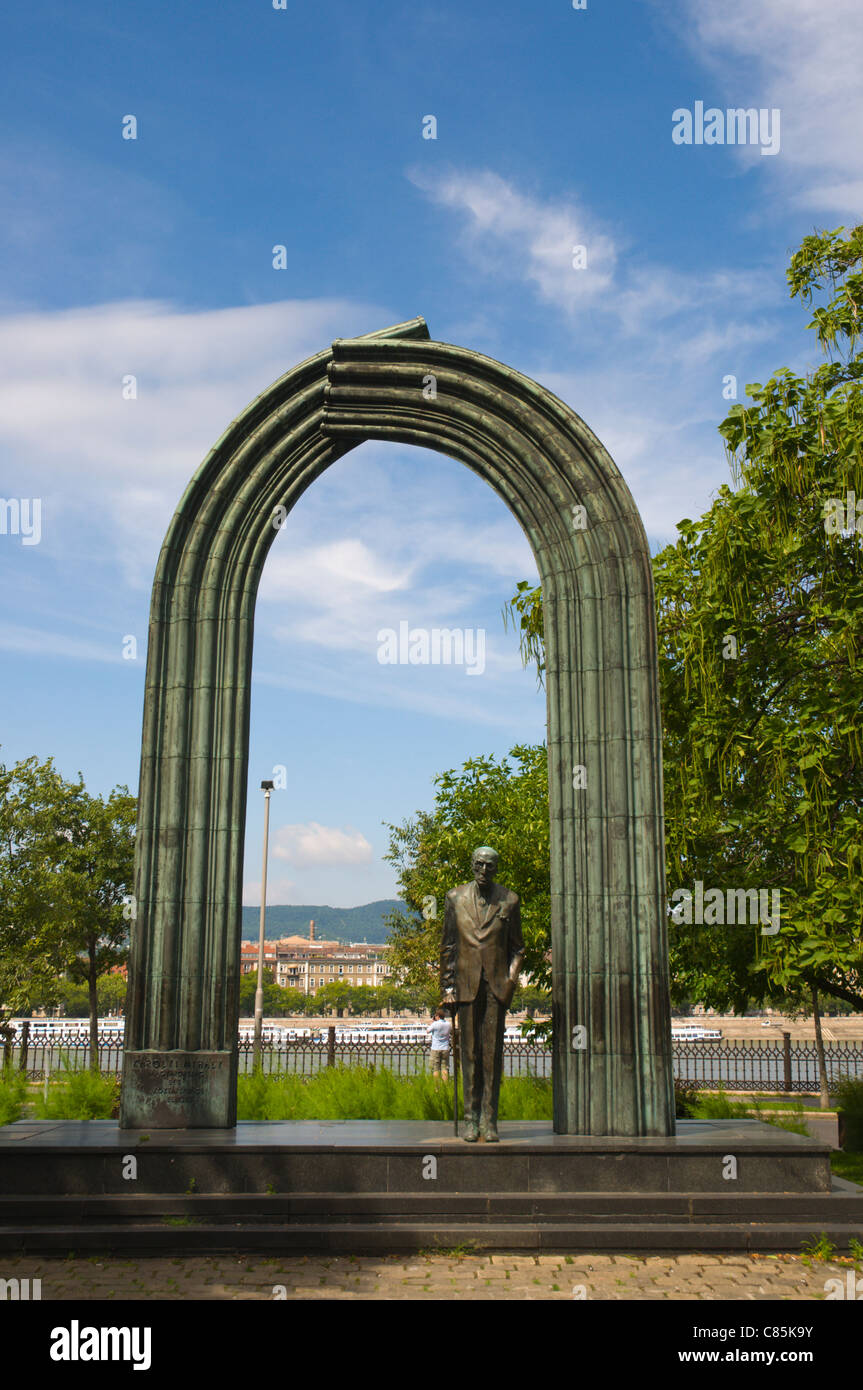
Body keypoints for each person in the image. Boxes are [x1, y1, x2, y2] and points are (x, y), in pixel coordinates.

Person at [440, 846, 524, 1143]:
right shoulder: (454, 898)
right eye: (479, 865)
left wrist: (510, 983)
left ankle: (490, 1120)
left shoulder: (510, 900)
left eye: (489, 866)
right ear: (472, 865)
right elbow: (449, 946)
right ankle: (470, 1120)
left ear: (497, 868)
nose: (484, 871)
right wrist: (447, 989)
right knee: (470, 1054)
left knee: (492, 1055)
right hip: (465, 986)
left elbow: (518, 949)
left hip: (496, 988)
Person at [427, 1009, 451, 1082]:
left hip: (436, 1048)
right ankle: (445, 1086)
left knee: (436, 1068)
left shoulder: (435, 1024)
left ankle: (436, 1087)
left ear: (437, 1016)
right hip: (445, 1048)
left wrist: (433, 1022)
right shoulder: (448, 1024)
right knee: (445, 1068)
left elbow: (427, 1031)